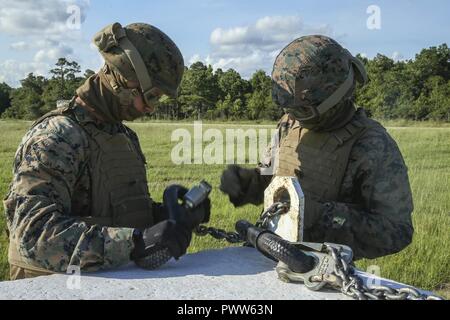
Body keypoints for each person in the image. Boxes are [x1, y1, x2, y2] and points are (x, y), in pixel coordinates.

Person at [3, 22, 210, 280]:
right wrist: (135, 242)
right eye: (151, 96)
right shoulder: (57, 137)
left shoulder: (123, 136)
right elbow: (32, 234)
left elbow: (114, 214)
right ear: (122, 80)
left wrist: (165, 217)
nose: (150, 109)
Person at [220, 35, 414, 260]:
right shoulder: (290, 123)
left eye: (302, 111)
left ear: (337, 97)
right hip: (271, 254)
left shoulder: (372, 145)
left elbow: (397, 230)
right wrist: (248, 183)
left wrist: (323, 216)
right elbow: (272, 178)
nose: (294, 117)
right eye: (289, 109)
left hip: (325, 273)